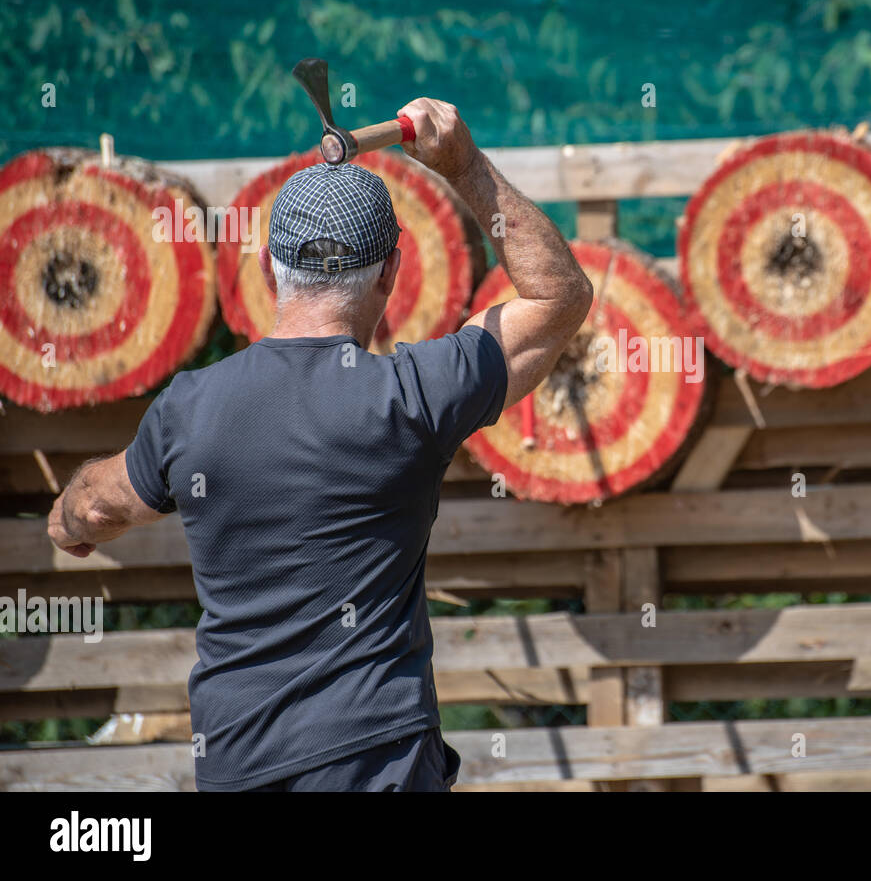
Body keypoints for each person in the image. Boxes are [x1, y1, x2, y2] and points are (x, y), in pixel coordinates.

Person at [45, 99, 594, 791]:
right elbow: (560, 296)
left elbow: (95, 505)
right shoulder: (414, 395)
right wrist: (467, 166)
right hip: (376, 761)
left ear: (272, 272)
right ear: (390, 275)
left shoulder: (188, 410)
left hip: (239, 764)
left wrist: (68, 520)